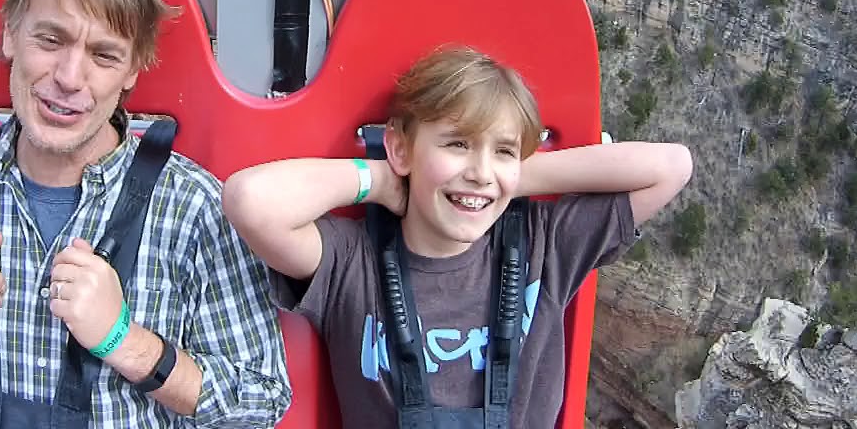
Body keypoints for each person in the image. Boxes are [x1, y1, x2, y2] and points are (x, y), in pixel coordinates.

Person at [0, 0, 291, 428]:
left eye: (104, 55)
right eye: (51, 40)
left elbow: (261, 400)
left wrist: (126, 342)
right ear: (12, 32)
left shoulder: (193, 208)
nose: (70, 77)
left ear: (134, 69)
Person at [222, 46, 692, 429]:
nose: (480, 171)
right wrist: (386, 180)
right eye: (457, 144)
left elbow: (670, 168)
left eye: (503, 151)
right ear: (402, 147)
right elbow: (250, 201)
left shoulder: (545, 247)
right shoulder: (351, 262)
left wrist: (510, 180)